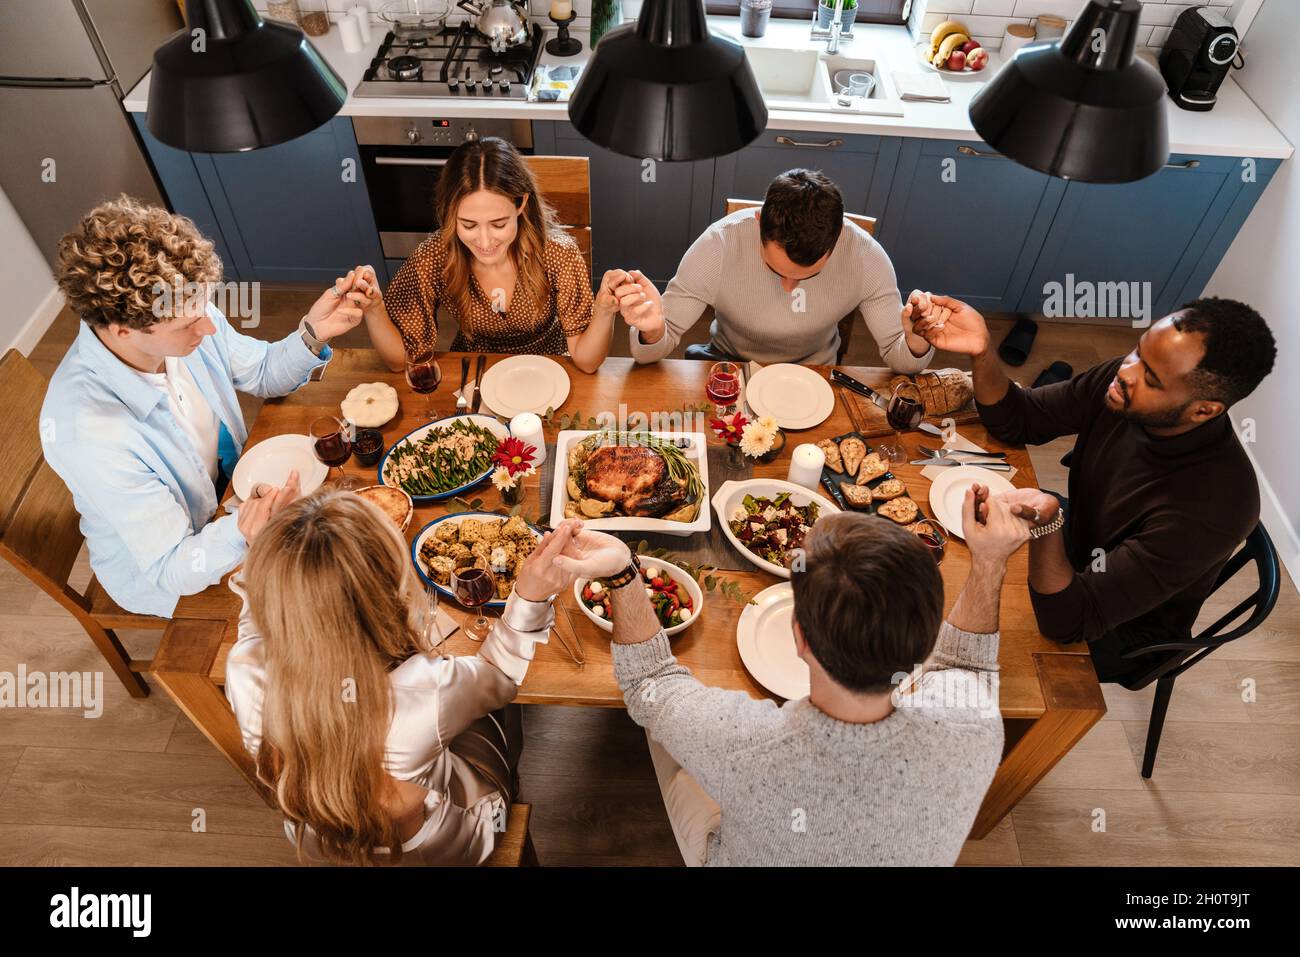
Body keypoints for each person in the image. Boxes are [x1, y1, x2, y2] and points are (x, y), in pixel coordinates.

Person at [532, 499, 1028, 866]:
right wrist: (989, 560)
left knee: (660, 724)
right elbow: (968, 667)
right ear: (924, 644)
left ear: (799, 638)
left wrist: (623, 571)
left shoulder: (746, 745)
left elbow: (648, 684)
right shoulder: (975, 728)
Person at [909, 292, 1277, 680]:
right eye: (1138, 351)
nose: (1127, 371)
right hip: (1077, 543)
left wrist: (1049, 521)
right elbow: (1020, 419)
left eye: (1151, 377)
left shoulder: (1213, 509)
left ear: (1203, 410)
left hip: (1119, 631)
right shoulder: (1126, 379)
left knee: (940, 653)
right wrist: (982, 351)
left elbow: (1068, 623)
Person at [41, 195, 368, 618]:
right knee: (332, 605)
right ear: (123, 332)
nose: (210, 327)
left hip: (230, 500)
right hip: (181, 570)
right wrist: (245, 528)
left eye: (205, 307)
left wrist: (313, 333)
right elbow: (171, 565)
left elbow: (263, 372)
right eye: (189, 324)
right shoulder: (88, 432)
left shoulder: (179, 307)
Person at [224, 497, 580, 865]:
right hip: (442, 849)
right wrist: (530, 597)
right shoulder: (423, 689)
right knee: (496, 711)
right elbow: (500, 677)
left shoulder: (243, 669)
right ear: (386, 588)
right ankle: (513, 783)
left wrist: (265, 551)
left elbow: (255, 628)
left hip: (323, 843)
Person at [360, 136, 650, 374]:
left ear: (521, 204)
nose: (485, 242)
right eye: (468, 225)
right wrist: (373, 309)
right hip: (475, 372)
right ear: (449, 212)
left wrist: (603, 311)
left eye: (499, 224)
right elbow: (402, 362)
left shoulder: (559, 253)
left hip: (550, 367)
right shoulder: (435, 255)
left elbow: (587, 363)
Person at [617, 168, 935, 370]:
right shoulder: (718, 246)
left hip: (815, 374)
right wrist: (653, 330)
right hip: (729, 365)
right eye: (775, 269)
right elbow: (648, 354)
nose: (789, 289)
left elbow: (902, 360)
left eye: (808, 274)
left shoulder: (866, 256)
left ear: (837, 240)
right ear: (758, 223)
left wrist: (917, 339)